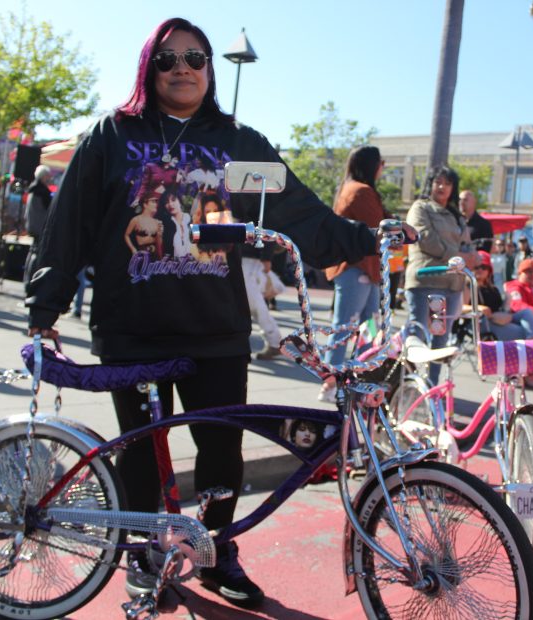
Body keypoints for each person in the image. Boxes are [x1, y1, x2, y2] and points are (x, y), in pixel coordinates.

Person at [24, 18, 400, 608]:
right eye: (168, 59)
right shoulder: (113, 134)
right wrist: (45, 304)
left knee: (222, 451)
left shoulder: (239, 143)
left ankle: (215, 550)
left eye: (195, 58)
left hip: (216, 331)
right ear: (149, 67)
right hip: (132, 328)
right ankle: (143, 554)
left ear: (209, 69)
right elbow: (68, 223)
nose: (182, 68)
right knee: (142, 454)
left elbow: (298, 214)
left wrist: (365, 239)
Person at [319, 145, 386, 403]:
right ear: (372, 165)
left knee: (367, 325)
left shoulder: (353, 188)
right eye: (381, 163)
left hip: (363, 270)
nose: (383, 168)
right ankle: (331, 383)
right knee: (347, 326)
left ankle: (357, 380)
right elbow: (379, 227)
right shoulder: (361, 191)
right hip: (357, 268)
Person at [405, 165, 474, 384]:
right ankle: (406, 385)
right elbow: (424, 238)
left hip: (451, 285)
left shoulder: (456, 216)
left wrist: (474, 256)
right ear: (431, 184)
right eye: (438, 182)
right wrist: (459, 256)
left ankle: (431, 388)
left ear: (453, 188)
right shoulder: (421, 207)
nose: (442, 187)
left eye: (447, 183)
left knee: (440, 341)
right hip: (425, 280)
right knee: (418, 336)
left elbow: (466, 244)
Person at [472, 250, 529, 342]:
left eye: (484, 267)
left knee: (527, 313)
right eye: (476, 267)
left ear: (489, 270)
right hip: (483, 322)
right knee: (521, 332)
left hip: (499, 319)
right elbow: (460, 308)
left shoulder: (493, 289)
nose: (480, 270)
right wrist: (479, 308)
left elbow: (501, 308)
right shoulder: (468, 286)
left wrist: (507, 301)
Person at [24, 165, 53, 290]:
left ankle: (28, 280)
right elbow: (50, 210)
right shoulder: (42, 191)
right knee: (36, 255)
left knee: (32, 253)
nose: (50, 178)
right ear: (43, 176)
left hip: (32, 226)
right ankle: (31, 281)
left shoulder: (32, 189)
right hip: (39, 227)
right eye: (48, 176)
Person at [505, 258, 533, 339]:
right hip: (518, 320)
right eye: (529, 271)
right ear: (520, 273)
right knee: (528, 313)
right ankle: (532, 344)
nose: (532, 274)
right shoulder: (514, 286)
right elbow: (517, 305)